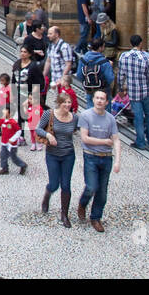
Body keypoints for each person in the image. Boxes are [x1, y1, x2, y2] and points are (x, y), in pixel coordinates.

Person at [76, 90, 122, 232]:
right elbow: (84, 138)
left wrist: (118, 160)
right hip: (90, 156)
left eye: (102, 98)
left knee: (102, 191)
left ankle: (96, 217)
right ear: (93, 99)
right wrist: (104, 141)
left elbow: (116, 139)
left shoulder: (110, 119)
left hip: (106, 157)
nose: (100, 101)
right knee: (91, 186)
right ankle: (83, 203)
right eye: (97, 98)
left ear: (107, 102)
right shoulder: (85, 116)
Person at [38, 92, 79, 227]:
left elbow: (79, 131)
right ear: (59, 103)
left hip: (68, 154)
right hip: (52, 154)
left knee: (66, 185)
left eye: (69, 102)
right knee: (54, 184)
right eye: (65, 102)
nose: (67, 105)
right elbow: (38, 129)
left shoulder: (74, 118)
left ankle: (64, 214)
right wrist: (48, 136)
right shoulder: (49, 114)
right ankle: (47, 195)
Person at [118, 34, 149, 149]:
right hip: (147, 91)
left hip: (133, 92)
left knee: (138, 118)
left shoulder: (123, 56)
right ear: (141, 43)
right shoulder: (145, 57)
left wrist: (121, 88)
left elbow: (121, 75)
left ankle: (140, 142)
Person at [0, 107, 26, 175]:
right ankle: (5, 169)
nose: (3, 111)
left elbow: (19, 131)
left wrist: (12, 139)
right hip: (4, 143)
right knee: (3, 155)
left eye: (5, 110)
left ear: (10, 113)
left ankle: (23, 165)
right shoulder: (3, 120)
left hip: (12, 145)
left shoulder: (13, 122)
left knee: (13, 158)